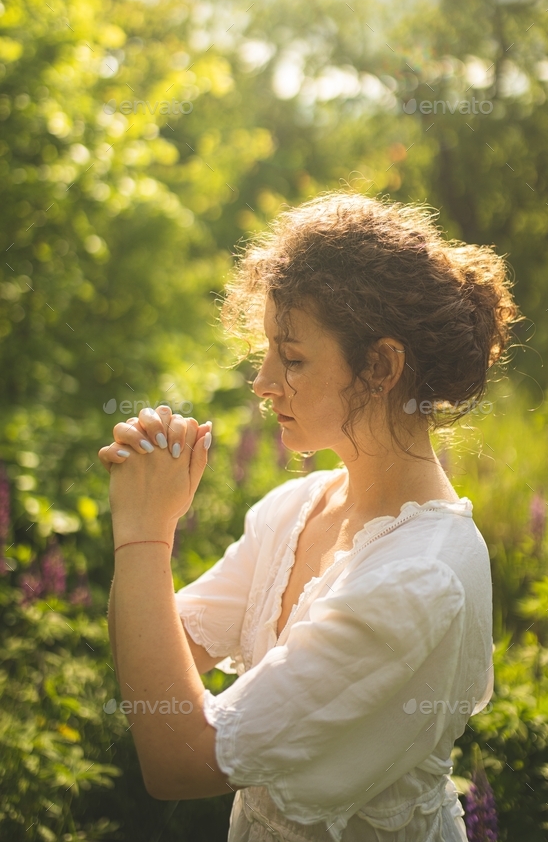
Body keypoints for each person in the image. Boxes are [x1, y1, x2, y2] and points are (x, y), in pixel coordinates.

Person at [98, 190, 520, 842]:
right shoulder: (295, 509)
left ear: (380, 366)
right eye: (268, 350)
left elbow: (180, 759)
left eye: (292, 357)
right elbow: (159, 651)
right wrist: (148, 521)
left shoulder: (417, 579)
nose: (263, 381)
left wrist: (145, 536)